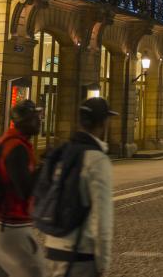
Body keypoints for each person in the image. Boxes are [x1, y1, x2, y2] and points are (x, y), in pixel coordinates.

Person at [43, 97, 115, 277]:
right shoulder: (97, 159)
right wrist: (103, 262)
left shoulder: (64, 151)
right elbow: (102, 216)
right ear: (103, 123)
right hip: (79, 253)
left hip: (52, 246)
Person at [0, 100, 45, 277]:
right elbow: (24, 190)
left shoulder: (10, 142)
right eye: (36, 117)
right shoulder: (17, 148)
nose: (39, 121)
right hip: (12, 227)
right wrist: (44, 169)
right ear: (25, 121)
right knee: (37, 273)